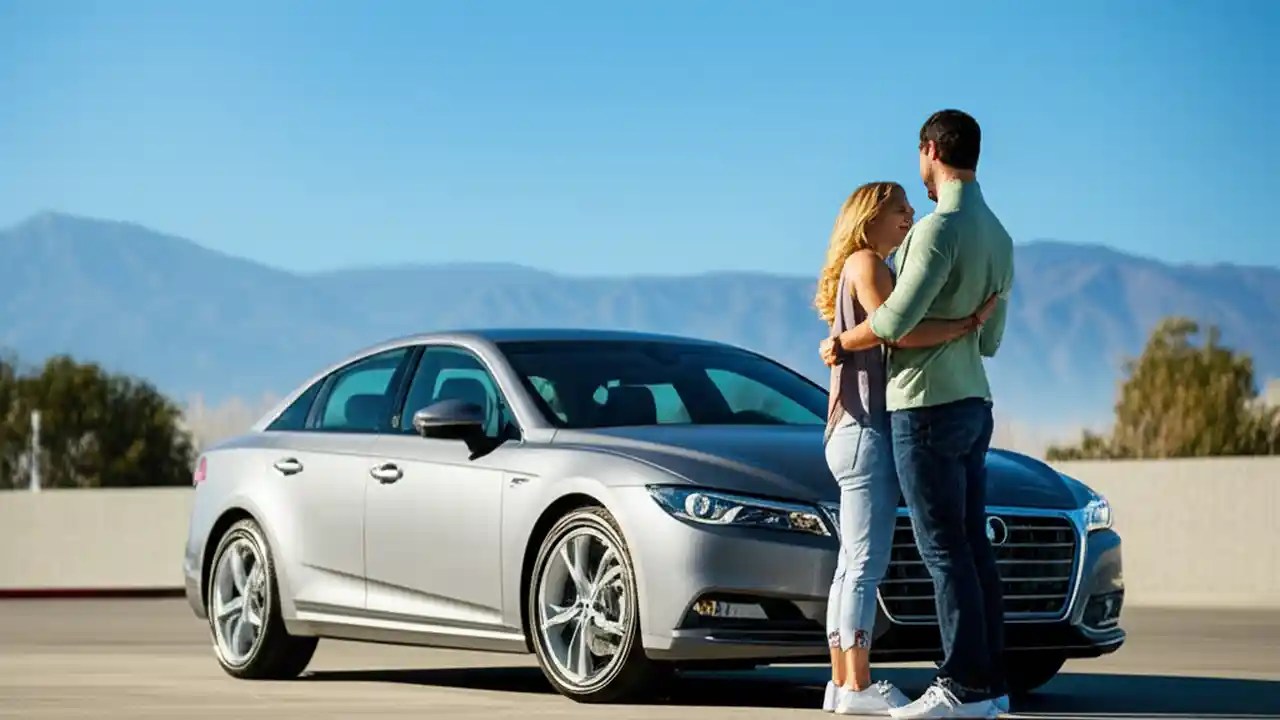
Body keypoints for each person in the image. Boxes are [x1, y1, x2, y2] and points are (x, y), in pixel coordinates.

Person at [821, 109, 1015, 719]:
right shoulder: (1001, 238)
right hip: (975, 403)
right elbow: (990, 342)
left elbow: (894, 325)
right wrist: (963, 326)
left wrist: (841, 343)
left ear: (931, 150)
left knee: (943, 552)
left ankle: (959, 685)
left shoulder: (935, 232)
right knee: (972, 548)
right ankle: (988, 683)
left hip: (926, 408)